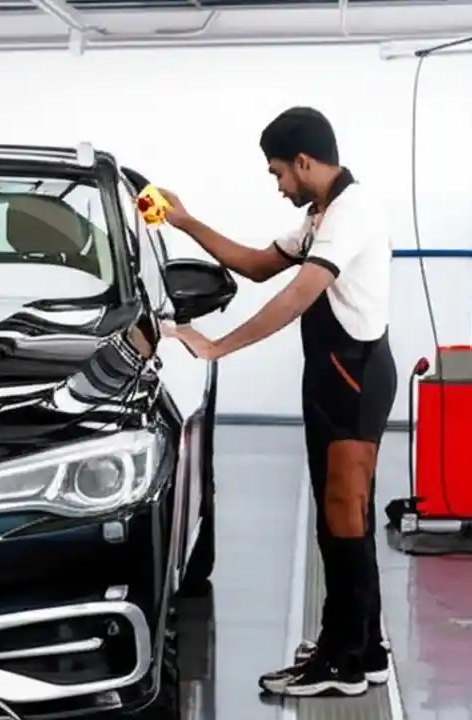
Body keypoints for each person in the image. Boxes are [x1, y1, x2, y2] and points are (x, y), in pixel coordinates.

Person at [157, 106, 396, 698]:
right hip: (334, 375)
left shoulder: (351, 211)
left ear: (305, 162)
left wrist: (217, 347)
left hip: (354, 377)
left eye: (278, 173)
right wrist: (185, 221)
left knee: (345, 517)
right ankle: (362, 646)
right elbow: (257, 265)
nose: (278, 184)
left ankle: (343, 661)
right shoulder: (321, 214)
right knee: (342, 515)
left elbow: (295, 297)